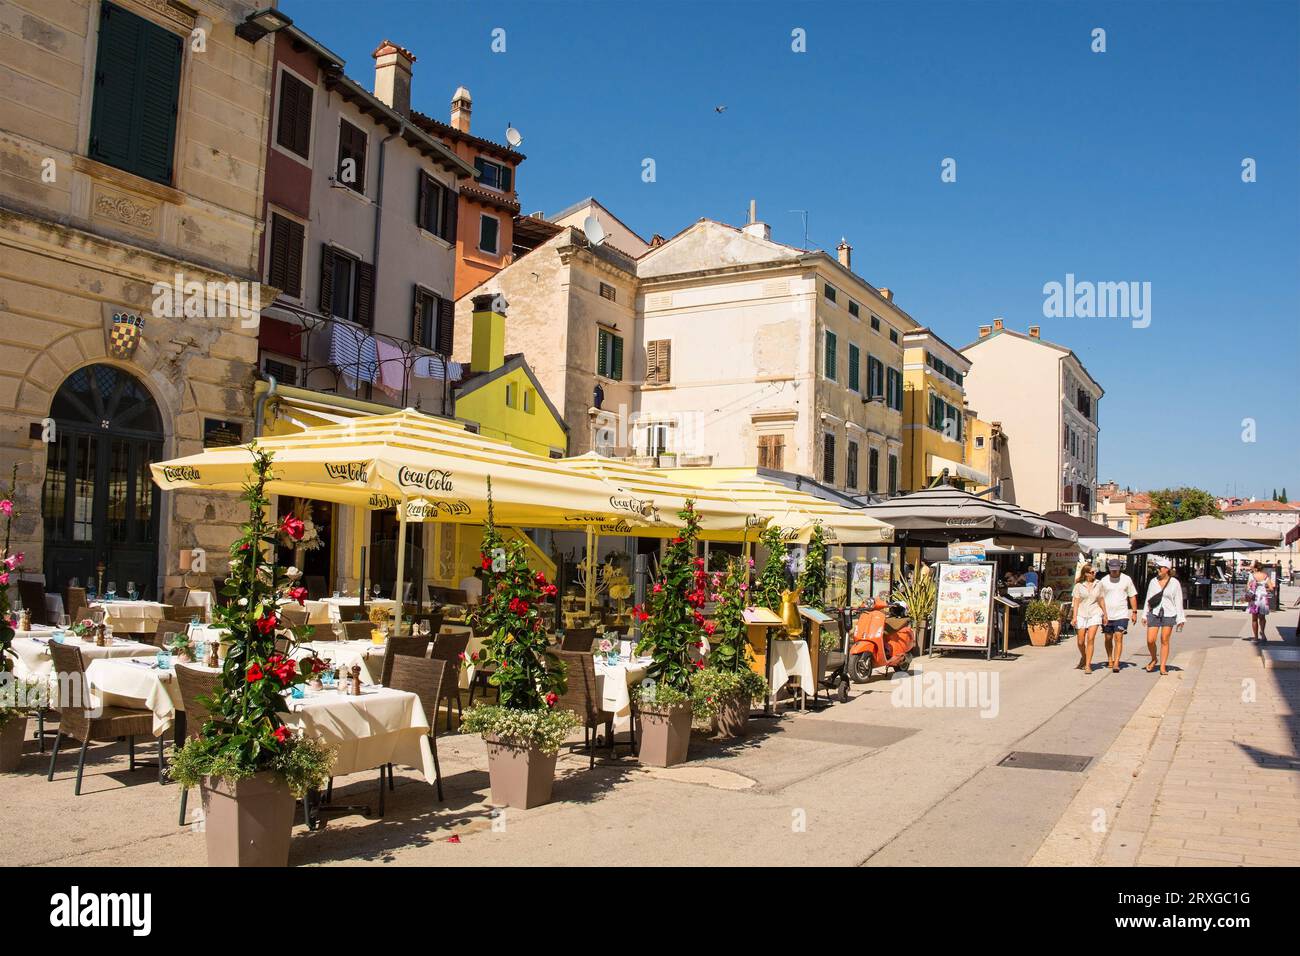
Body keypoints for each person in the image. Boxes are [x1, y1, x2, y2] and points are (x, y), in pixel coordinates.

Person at [1143, 557, 1185, 675]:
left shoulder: (1174, 583)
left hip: (1169, 613)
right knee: (1150, 640)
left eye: (1160, 568)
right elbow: (1148, 598)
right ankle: (1153, 658)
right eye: (1157, 568)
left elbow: (1178, 601)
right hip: (1154, 612)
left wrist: (1181, 618)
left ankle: (1162, 666)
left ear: (1167, 569)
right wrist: (1144, 615)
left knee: (1164, 639)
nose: (1158, 570)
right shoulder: (1153, 581)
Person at [1098, 558, 1138, 672]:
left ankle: (1116, 662)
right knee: (1108, 638)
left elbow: (1132, 595)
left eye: (1116, 569)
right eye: (1112, 569)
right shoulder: (1104, 581)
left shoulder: (1126, 579)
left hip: (1122, 614)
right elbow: (1100, 598)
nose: (1114, 571)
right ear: (1109, 568)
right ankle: (1110, 658)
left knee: (1118, 637)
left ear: (1120, 568)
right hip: (1107, 614)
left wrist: (1134, 612)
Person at [1070, 564, 1103, 673]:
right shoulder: (1079, 586)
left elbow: (1101, 599)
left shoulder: (1099, 584)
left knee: (1090, 638)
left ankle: (1088, 665)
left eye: (1095, 572)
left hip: (1095, 612)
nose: (1095, 574)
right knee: (1080, 641)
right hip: (1081, 613)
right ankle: (1084, 657)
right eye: (1092, 572)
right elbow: (1076, 602)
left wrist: (1105, 614)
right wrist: (1074, 617)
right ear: (1086, 574)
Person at [1244, 562, 1275, 642]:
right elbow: (1271, 588)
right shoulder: (1265, 576)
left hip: (1254, 598)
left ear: (1256, 568)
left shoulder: (1252, 575)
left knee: (1254, 619)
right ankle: (1263, 634)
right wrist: (1264, 589)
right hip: (1263, 599)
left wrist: (1251, 589)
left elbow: (1248, 588)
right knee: (1262, 618)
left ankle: (1256, 637)